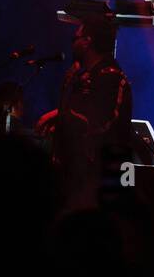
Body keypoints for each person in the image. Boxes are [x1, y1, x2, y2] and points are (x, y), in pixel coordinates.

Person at [36, 18, 134, 204]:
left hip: (100, 180)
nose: (72, 43)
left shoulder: (110, 77)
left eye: (75, 38)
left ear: (87, 41)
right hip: (82, 176)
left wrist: (60, 116)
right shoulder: (88, 77)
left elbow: (98, 122)